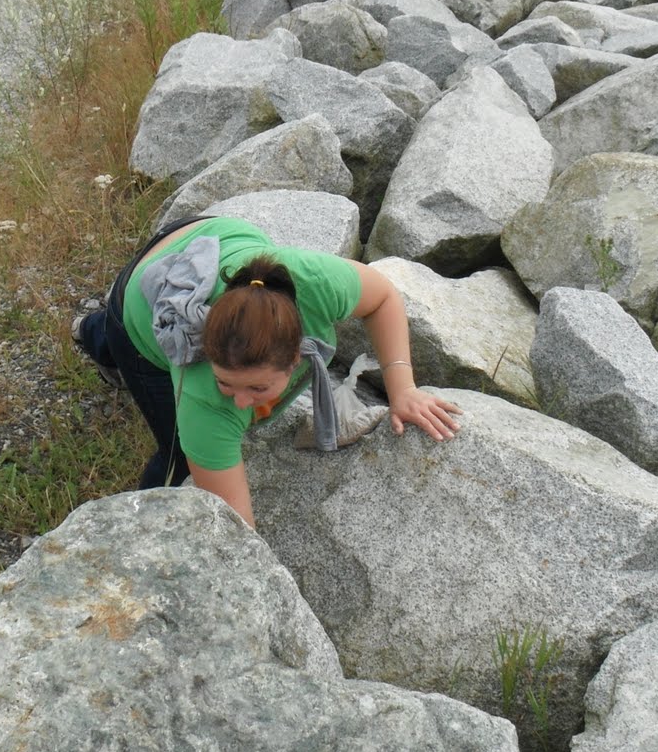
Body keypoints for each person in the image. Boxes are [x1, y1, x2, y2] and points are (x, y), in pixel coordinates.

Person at [72, 215, 461, 528]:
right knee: (177, 455)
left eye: (256, 388)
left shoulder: (314, 282)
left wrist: (402, 388)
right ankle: (102, 331)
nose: (241, 403)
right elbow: (235, 525)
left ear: (295, 359)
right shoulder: (201, 399)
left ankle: (92, 331)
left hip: (205, 235)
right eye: (226, 383)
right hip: (143, 296)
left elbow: (383, 297)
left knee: (109, 337)